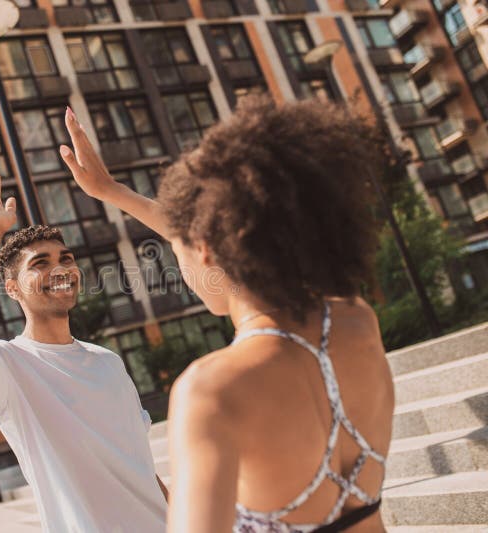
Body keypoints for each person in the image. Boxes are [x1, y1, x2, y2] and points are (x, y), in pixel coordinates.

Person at [59, 99, 394, 532]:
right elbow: (234, 232)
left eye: (178, 245)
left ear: (204, 247)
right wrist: (111, 191)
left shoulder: (212, 390)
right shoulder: (356, 321)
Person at [0, 158, 168, 533]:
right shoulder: (7, 363)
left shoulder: (109, 362)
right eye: (40, 264)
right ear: (12, 289)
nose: (60, 269)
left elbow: (141, 468)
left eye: (66, 259)